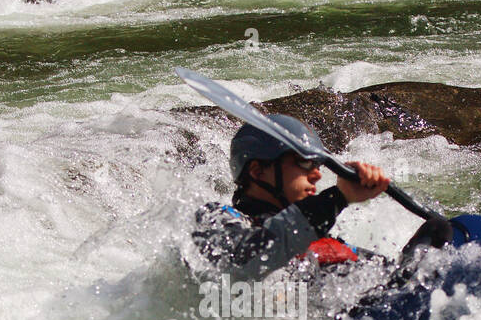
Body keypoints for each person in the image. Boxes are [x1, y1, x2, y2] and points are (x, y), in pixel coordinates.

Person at [191, 117, 453, 287]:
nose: (317, 174)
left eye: (318, 164)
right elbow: (244, 264)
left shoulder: (322, 238)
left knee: (439, 231)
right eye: (304, 163)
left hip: (374, 312)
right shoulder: (218, 219)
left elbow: (389, 275)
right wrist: (338, 198)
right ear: (258, 172)